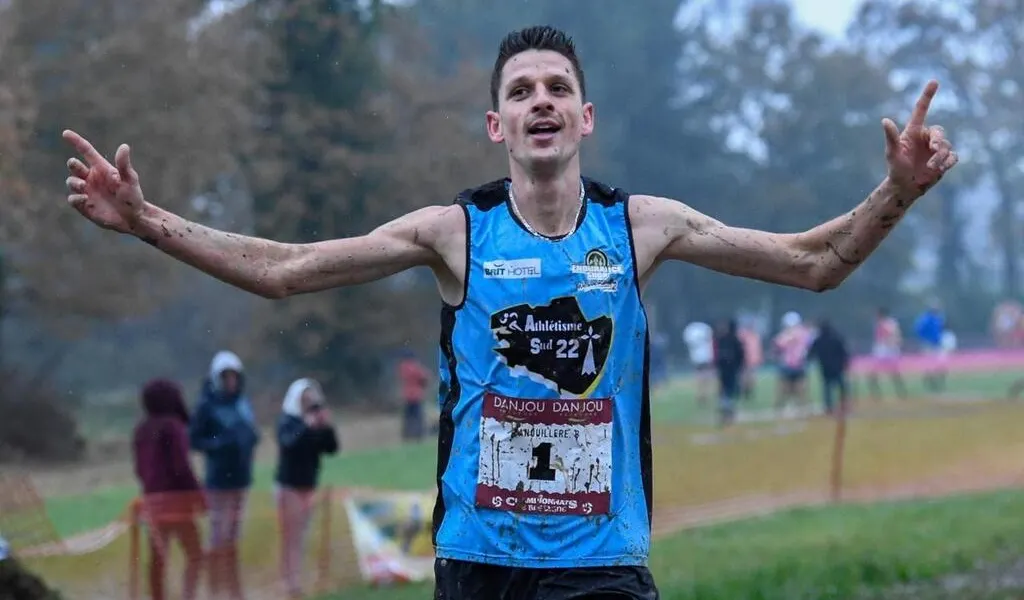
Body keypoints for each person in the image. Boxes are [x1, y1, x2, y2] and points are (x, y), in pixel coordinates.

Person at [61, 24, 957, 600]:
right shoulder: (455, 234)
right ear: (496, 124)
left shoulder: (641, 227)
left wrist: (898, 194)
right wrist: (148, 222)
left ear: (585, 116)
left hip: (601, 568)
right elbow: (287, 270)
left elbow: (815, 264)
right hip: (477, 568)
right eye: (521, 91)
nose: (540, 102)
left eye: (556, 88)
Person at [188, 350, 260, 600]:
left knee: (233, 538)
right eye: (226, 377)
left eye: (234, 377)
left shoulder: (242, 403)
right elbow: (194, 440)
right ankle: (215, 588)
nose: (231, 382)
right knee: (218, 537)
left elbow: (250, 430)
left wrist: (251, 438)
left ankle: (233, 589)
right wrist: (220, 443)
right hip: (218, 479)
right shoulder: (206, 406)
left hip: (241, 477)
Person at [132, 379, 205, 600]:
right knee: (195, 554)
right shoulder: (173, 426)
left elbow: (140, 468)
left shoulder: (141, 429)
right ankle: (188, 595)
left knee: (157, 558)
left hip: (153, 500)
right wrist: (198, 496)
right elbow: (181, 467)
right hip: (176, 501)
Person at [274, 378, 339, 599]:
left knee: (301, 534)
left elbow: (331, 448)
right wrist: (307, 426)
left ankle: (296, 579)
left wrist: (326, 425)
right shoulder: (288, 421)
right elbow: (289, 444)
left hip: (308, 485)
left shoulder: (312, 422)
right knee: (291, 535)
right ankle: (290, 582)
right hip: (289, 485)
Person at [807, 320, 851, 416]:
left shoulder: (818, 340)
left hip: (825, 368)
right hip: (837, 368)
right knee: (842, 386)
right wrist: (846, 363)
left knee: (827, 388)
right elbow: (844, 353)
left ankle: (828, 407)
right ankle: (844, 404)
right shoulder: (837, 338)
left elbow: (810, 354)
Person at [772, 311, 813, 415]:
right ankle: (802, 410)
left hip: (790, 365)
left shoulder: (784, 335)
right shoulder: (804, 334)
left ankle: (780, 410)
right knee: (799, 390)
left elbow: (777, 348)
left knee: (785, 391)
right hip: (796, 365)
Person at [868, 307, 908, 400]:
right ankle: (876, 394)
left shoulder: (889, 323)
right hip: (883, 350)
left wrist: (893, 344)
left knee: (894, 373)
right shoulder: (883, 324)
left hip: (887, 350)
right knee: (875, 374)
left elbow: (894, 336)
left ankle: (901, 393)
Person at [712, 319, 746, 427]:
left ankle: (727, 408)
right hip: (728, 370)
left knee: (727, 389)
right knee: (728, 389)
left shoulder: (726, 340)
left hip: (728, 370)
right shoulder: (731, 340)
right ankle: (727, 408)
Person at [397, 350, 430, 442]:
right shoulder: (416, 366)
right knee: (418, 417)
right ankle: (418, 435)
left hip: (407, 395)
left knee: (408, 417)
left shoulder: (402, 367)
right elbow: (424, 378)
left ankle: (407, 435)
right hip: (416, 395)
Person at [915, 302, 947, 392]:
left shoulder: (938, 318)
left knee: (940, 365)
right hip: (928, 345)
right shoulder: (926, 319)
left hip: (937, 344)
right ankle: (931, 384)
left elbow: (940, 330)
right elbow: (919, 330)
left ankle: (939, 384)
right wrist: (926, 339)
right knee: (929, 366)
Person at [682, 320, 715, 406]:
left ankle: (700, 394)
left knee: (699, 375)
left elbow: (688, 342)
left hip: (696, 356)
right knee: (705, 376)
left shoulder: (690, 329)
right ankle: (704, 394)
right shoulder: (705, 328)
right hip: (705, 355)